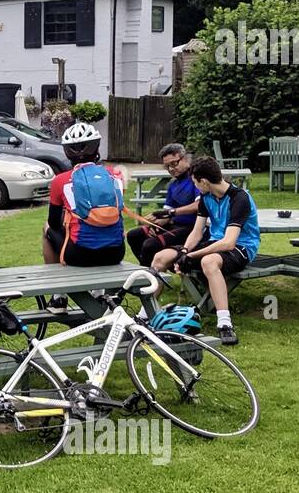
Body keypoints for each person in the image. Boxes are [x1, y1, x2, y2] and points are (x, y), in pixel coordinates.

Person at [150, 155, 260, 346]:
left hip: (242, 247)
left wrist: (191, 255)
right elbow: (196, 231)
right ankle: (146, 315)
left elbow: (228, 243)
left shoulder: (240, 198)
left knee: (208, 261)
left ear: (204, 181)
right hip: (213, 242)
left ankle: (225, 324)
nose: (195, 186)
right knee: (160, 257)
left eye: (195, 182)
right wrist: (184, 250)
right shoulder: (206, 198)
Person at [42, 121, 126, 269]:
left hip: (80, 255)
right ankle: (100, 291)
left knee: (47, 226)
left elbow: (54, 223)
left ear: (67, 152)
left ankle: (57, 288)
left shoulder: (60, 181)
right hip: (116, 253)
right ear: (96, 147)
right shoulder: (115, 175)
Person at [128, 143, 199, 265]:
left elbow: (199, 205)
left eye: (174, 163)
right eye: (167, 166)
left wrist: (171, 213)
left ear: (185, 159)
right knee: (134, 235)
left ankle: (150, 278)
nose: (171, 169)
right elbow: (165, 215)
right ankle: (149, 272)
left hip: (193, 228)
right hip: (175, 225)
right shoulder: (173, 185)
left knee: (149, 245)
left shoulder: (196, 179)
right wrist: (153, 223)